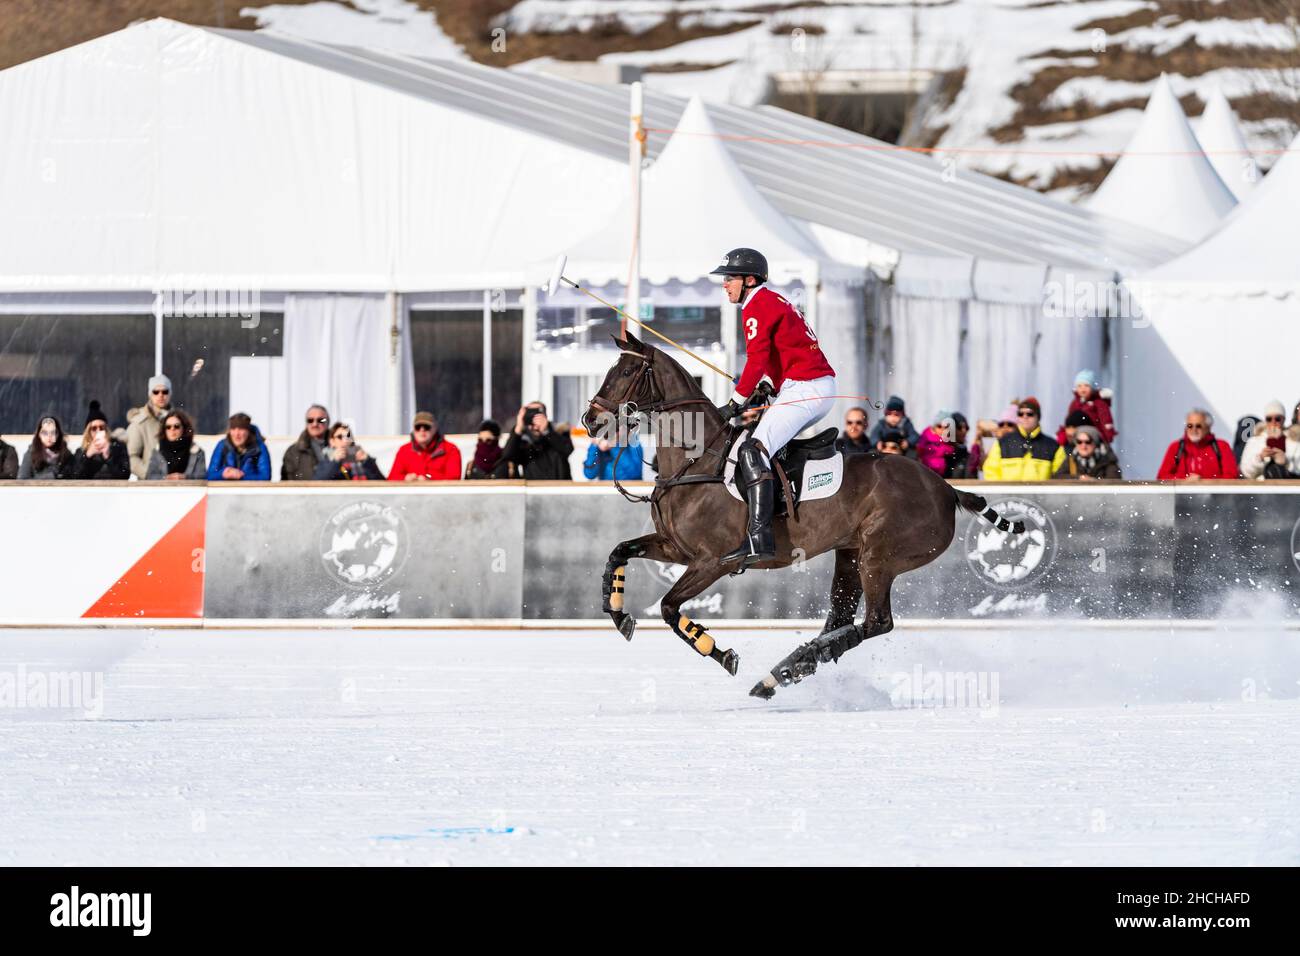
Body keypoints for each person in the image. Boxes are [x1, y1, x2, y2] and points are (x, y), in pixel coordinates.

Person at [711, 248, 837, 569]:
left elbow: (755, 359)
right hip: (804, 385)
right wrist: (768, 384)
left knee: (753, 450)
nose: (725, 285)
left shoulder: (756, 305)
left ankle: (759, 538)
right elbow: (780, 352)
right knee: (761, 444)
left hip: (806, 387)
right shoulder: (771, 300)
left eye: (730, 279)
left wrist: (735, 402)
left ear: (749, 280)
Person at [981, 397, 1065, 481]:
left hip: (1039, 494)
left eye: (1030, 414)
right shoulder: (1003, 443)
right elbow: (991, 472)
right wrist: (1001, 493)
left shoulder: (1053, 446)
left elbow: (1059, 478)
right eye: (1020, 414)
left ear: (1038, 417)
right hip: (1008, 494)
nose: (1025, 416)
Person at [1156, 408, 1238, 480]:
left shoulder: (1222, 446)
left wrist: (1202, 481)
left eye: (1198, 426)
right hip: (1183, 496)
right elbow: (1162, 476)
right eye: (1190, 425)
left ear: (1208, 427)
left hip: (1215, 496)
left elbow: (1232, 476)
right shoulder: (1176, 447)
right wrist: (1185, 479)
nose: (1194, 429)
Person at [501, 402, 573, 480]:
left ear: (545, 416)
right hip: (533, 489)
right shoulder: (523, 439)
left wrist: (546, 431)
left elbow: (567, 449)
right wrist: (518, 429)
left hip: (559, 488)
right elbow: (508, 456)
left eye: (537, 412)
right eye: (530, 413)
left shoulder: (558, 432)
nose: (533, 417)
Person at [125, 374, 174, 480]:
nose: (160, 395)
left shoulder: (177, 421)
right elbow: (131, 456)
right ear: (150, 395)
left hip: (178, 485)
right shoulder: (140, 422)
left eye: (165, 392)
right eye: (156, 392)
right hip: (149, 488)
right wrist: (150, 474)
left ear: (170, 394)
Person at [388, 411, 462, 481]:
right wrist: (405, 478)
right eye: (418, 427)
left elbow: (454, 477)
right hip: (410, 493)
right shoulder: (404, 450)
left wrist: (429, 477)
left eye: (426, 427)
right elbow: (392, 477)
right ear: (413, 430)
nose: (422, 430)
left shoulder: (450, 449)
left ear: (435, 429)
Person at [1239, 400, 1300, 480]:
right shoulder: (1255, 441)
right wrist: (1260, 458)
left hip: (1288, 489)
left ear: (1283, 420)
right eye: (1269, 419)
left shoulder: (1294, 440)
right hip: (1261, 488)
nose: (1273, 422)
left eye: (1277, 419)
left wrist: (1286, 462)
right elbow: (1245, 471)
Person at [1056, 369, 1116, 445]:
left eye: (1086, 385)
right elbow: (1069, 420)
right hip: (1077, 437)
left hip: (1093, 438)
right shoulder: (1075, 403)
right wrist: (1064, 433)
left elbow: (1106, 420)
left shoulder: (1099, 403)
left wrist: (1106, 437)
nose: (1083, 389)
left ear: (1092, 387)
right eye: (1079, 386)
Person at [73, 401, 130, 480]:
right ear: (88, 431)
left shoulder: (118, 447)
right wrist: (88, 455)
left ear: (106, 429)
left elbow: (125, 475)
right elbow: (75, 476)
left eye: (101, 427)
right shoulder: (81, 451)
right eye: (94, 428)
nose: (98, 431)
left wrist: (108, 456)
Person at [206, 412, 271, 481]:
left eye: (241, 429)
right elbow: (209, 475)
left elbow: (265, 476)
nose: (237, 434)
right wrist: (222, 474)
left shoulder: (259, 447)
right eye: (233, 429)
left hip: (251, 490)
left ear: (248, 431)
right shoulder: (222, 446)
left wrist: (242, 476)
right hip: (225, 490)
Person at [145, 409, 207, 480]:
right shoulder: (158, 451)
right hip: (163, 490)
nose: (172, 429)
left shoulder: (196, 451)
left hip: (189, 489)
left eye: (176, 426)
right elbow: (150, 476)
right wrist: (165, 478)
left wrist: (185, 477)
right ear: (164, 430)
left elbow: (202, 476)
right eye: (168, 427)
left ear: (184, 428)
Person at [313, 422, 383, 481]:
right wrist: (335, 462)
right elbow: (318, 482)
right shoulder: (326, 460)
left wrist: (367, 462)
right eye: (340, 437)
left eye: (348, 436)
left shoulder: (362, 459)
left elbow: (382, 482)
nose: (345, 440)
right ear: (332, 441)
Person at [281, 405, 331, 481]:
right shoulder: (293, 452)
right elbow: (286, 481)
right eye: (310, 420)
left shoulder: (339, 447)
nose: (315, 424)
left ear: (328, 422)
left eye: (320, 420)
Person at [1052, 425, 1121, 480]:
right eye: (1079, 442)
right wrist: (1078, 478)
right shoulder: (1071, 460)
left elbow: (1114, 482)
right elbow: (1057, 477)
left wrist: (1093, 481)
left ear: (1095, 443)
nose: (1083, 446)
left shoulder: (1107, 460)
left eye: (1088, 442)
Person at [916, 410, 959, 477]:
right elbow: (919, 453)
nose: (942, 430)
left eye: (946, 427)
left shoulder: (951, 444)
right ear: (934, 427)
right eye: (939, 426)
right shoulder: (926, 439)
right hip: (926, 475)